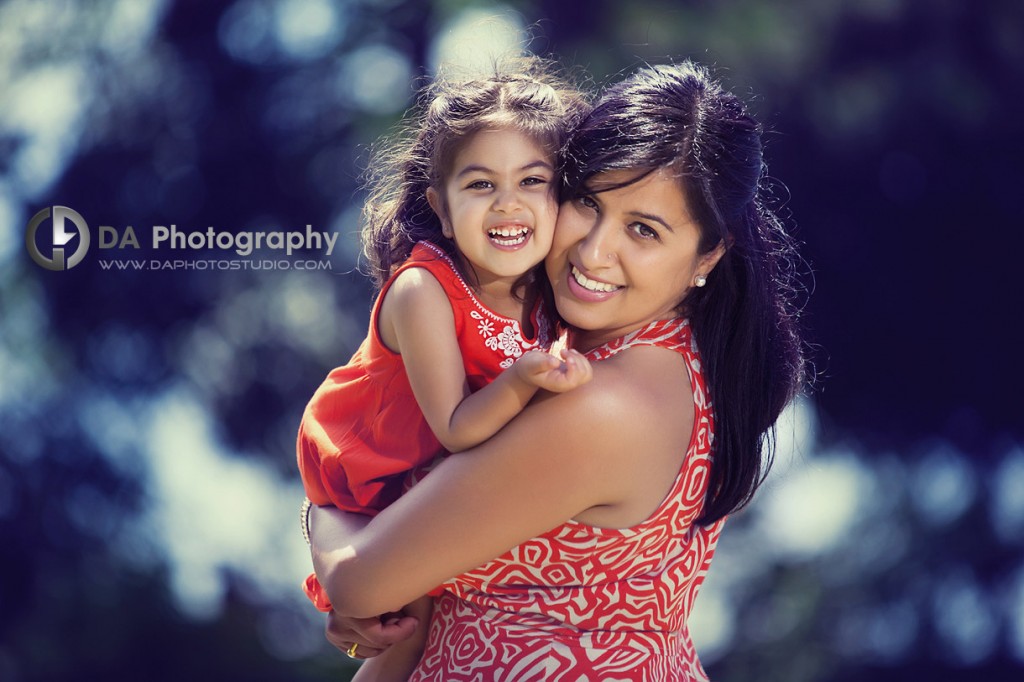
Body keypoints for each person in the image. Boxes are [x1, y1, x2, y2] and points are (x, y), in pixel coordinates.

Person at [305, 59, 807, 681]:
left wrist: (324, 515)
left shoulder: (603, 407)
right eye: (587, 203)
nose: (595, 251)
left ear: (708, 254)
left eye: (644, 230)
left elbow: (359, 582)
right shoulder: (651, 360)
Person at [295, 57, 592, 680]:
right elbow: (457, 425)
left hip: (431, 478)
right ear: (442, 203)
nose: (508, 205)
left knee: (422, 617)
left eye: (533, 181)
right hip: (371, 469)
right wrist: (525, 380)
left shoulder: (551, 291)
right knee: (405, 630)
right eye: (481, 185)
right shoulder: (424, 289)